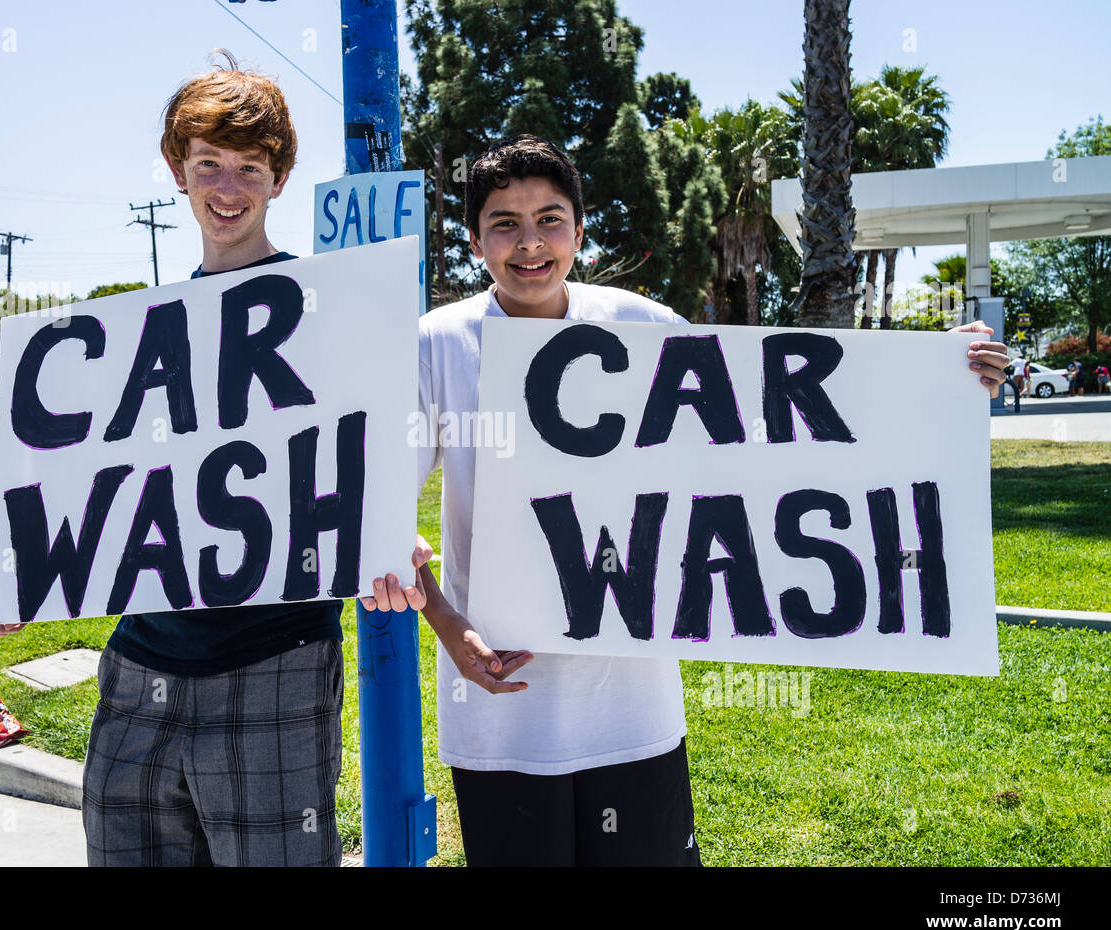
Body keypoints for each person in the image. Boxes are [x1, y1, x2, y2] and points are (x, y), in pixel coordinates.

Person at [361, 134, 1011, 866]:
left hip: (632, 711)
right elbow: (378, 509)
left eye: (549, 219)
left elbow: (774, 434)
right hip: (499, 718)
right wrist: (447, 626)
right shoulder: (437, 344)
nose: (529, 243)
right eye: (504, 224)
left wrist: (936, 376)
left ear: (579, 229)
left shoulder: (646, 328)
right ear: (475, 239)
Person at [0, 52, 428, 867]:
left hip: (276, 662)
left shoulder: (329, 312)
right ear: (178, 171)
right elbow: (110, 484)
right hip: (139, 664)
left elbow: (349, 469)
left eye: (250, 167)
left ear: (279, 180)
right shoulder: (140, 336)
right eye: (208, 163)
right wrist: (28, 564)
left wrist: (381, 534)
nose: (227, 187)